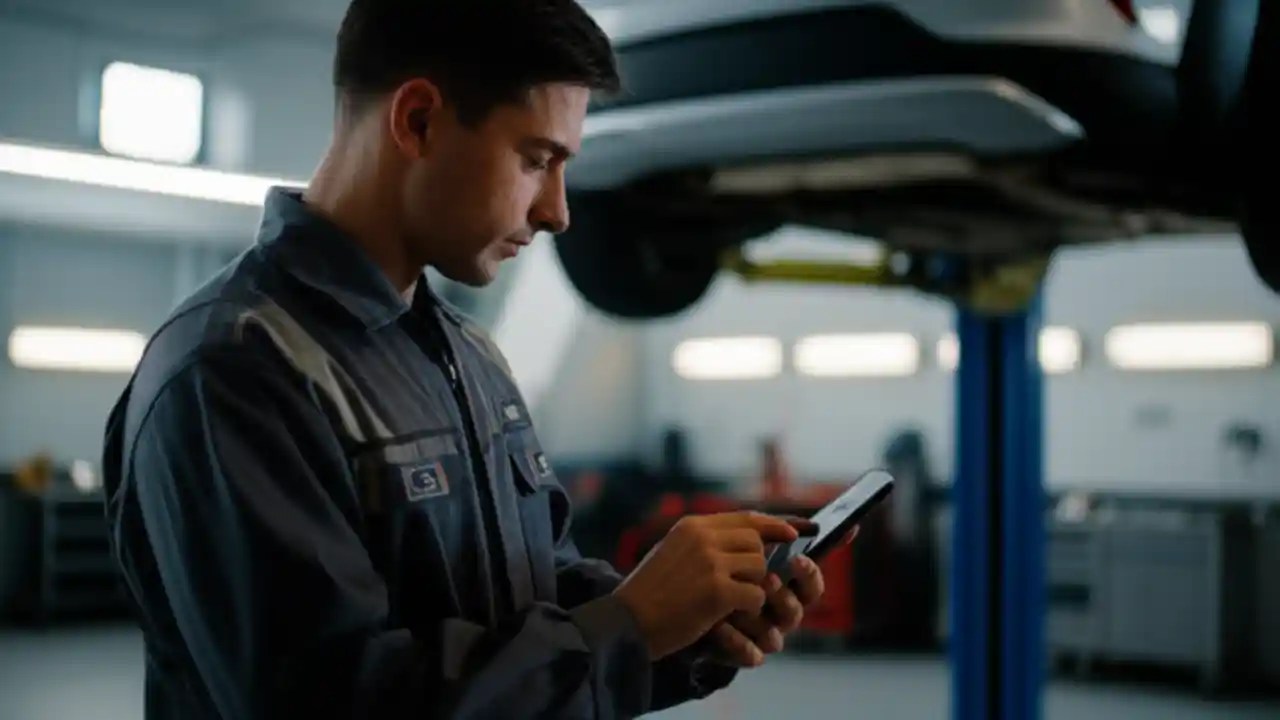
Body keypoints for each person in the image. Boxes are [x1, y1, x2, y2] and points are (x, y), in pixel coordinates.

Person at [101, 1, 829, 718]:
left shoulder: (467, 353)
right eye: (537, 159)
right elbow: (339, 698)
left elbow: (532, 599)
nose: (558, 211)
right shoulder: (231, 371)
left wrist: (691, 628)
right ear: (417, 120)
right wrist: (631, 628)